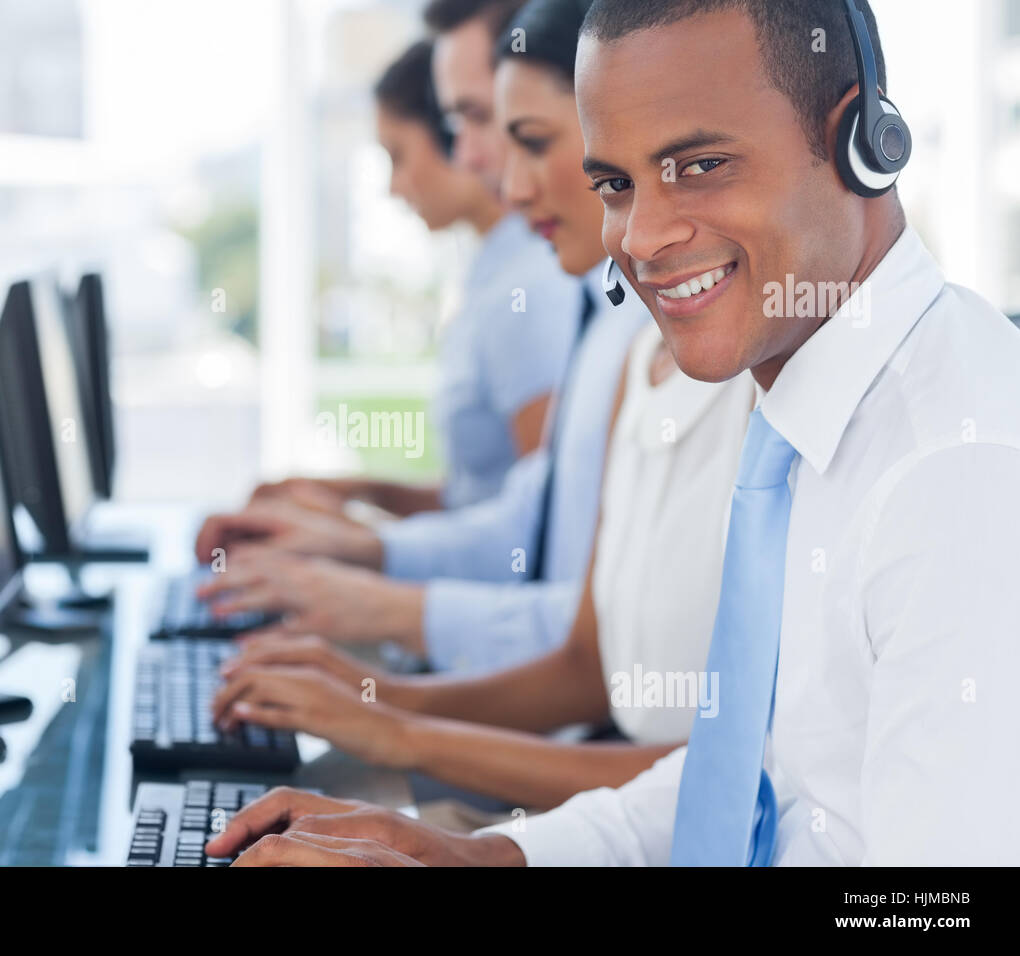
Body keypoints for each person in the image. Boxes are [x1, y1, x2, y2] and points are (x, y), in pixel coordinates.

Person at [207, 0, 1020, 866]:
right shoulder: (814, 408)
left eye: (701, 164)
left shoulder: (955, 471)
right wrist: (481, 858)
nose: (643, 236)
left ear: (862, 138)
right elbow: (759, 774)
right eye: (616, 185)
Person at [207, 0, 756, 813]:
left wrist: (385, 681)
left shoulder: (714, 363)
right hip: (596, 776)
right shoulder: (633, 346)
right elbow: (575, 624)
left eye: (518, 135)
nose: (495, 169)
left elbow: (724, 771)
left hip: (601, 779)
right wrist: (372, 677)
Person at [193, 0, 650, 675]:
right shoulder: (595, 305)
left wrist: (381, 642)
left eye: (480, 120)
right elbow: (529, 517)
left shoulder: (569, 302)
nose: (478, 158)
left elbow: (592, 636)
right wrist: (356, 543)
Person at [256, 37, 577, 516]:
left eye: (398, 155)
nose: (391, 186)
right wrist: (358, 495)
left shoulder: (527, 288)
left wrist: (360, 553)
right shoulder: (493, 274)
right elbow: (478, 497)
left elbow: (535, 526)